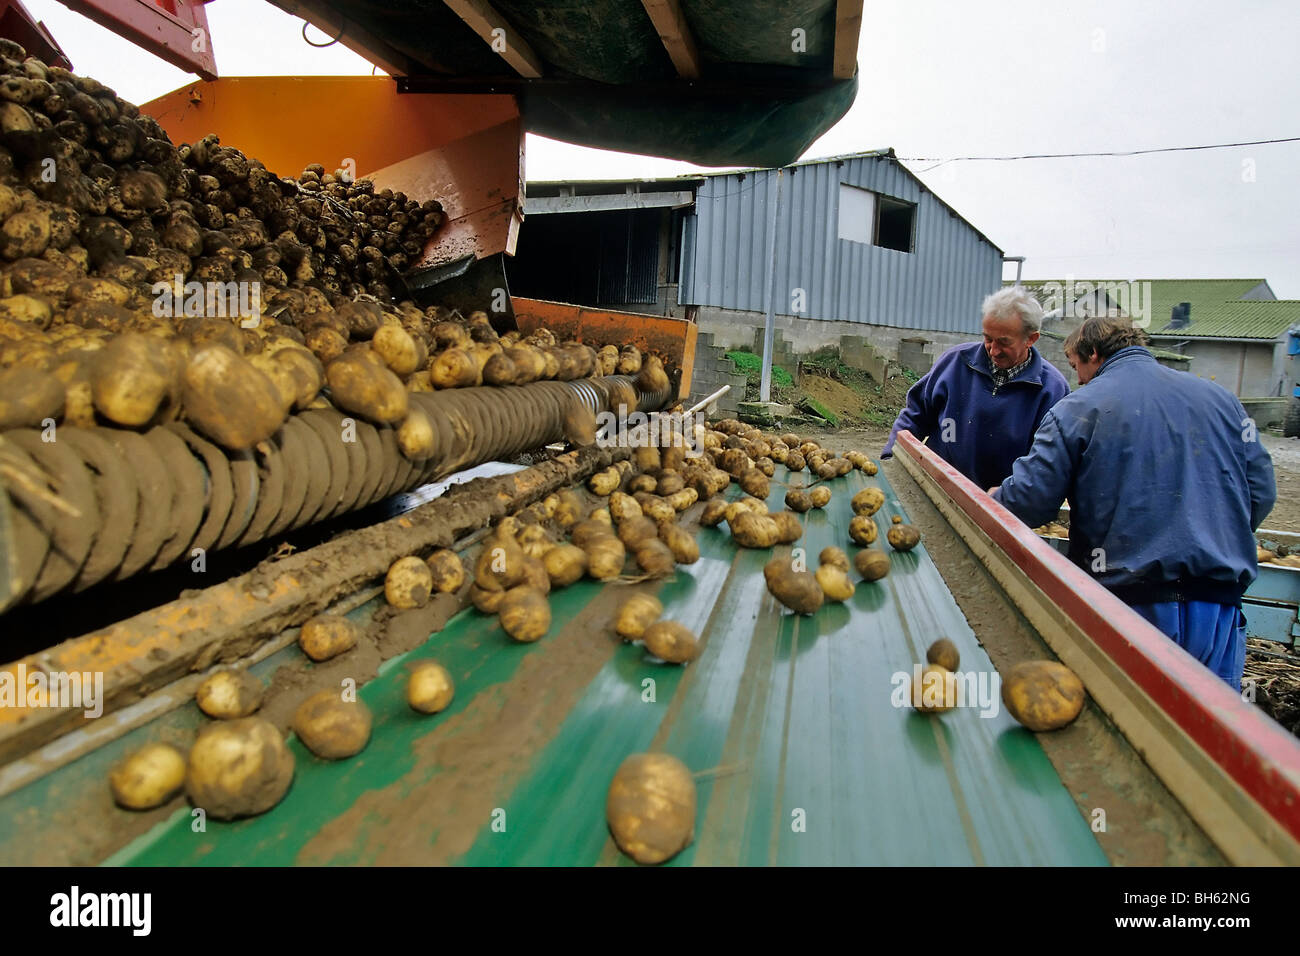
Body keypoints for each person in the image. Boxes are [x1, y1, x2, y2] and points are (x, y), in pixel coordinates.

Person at [992, 316, 1276, 690]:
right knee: (1207, 736)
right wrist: (1211, 535)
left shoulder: (1079, 407)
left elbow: (1033, 501)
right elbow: (1261, 492)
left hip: (1130, 608)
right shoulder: (1223, 400)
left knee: (1131, 729)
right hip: (1217, 607)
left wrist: (998, 496)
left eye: (1077, 366)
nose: (1077, 378)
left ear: (1093, 353)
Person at [881, 287, 1069, 489]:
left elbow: (1044, 465)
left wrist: (1006, 497)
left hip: (997, 504)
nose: (993, 351)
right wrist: (892, 456)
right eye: (988, 338)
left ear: (1031, 339)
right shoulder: (954, 362)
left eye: (1004, 342)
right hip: (935, 487)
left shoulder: (1052, 390)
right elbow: (915, 414)